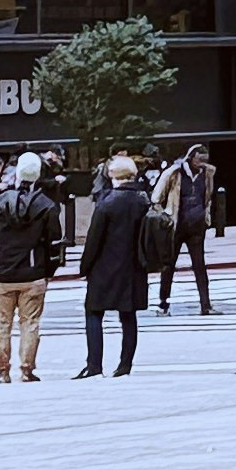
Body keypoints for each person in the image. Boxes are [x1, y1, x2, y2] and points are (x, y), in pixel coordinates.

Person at [0, 151, 63, 380]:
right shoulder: (47, 206)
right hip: (33, 273)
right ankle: (27, 369)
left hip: (1, 272)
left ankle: (2, 371)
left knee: (1, 325)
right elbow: (55, 244)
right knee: (31, 323)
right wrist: (49, 272)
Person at [78, 155, 153, 376]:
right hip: (134, 266)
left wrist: (85, 267)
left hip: (105, 266)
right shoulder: (143, 200)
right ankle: (125, 364)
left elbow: (94, 239)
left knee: (93, 312)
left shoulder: (107, 203)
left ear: (113, 175)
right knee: (128, 315)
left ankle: (94, 364)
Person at [158, 145, 215, 317]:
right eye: (199, 159)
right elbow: (157, 197)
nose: (201, 164)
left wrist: (206, 218)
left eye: (204, 160)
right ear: (190, 158)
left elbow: (208, 196)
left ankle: (206, 305)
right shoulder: (174, 173)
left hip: (197, 227)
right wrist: (165, 217)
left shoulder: (207, 174)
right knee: (168, 266)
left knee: (200, 266)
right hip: (176, 226)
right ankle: (163, 304)